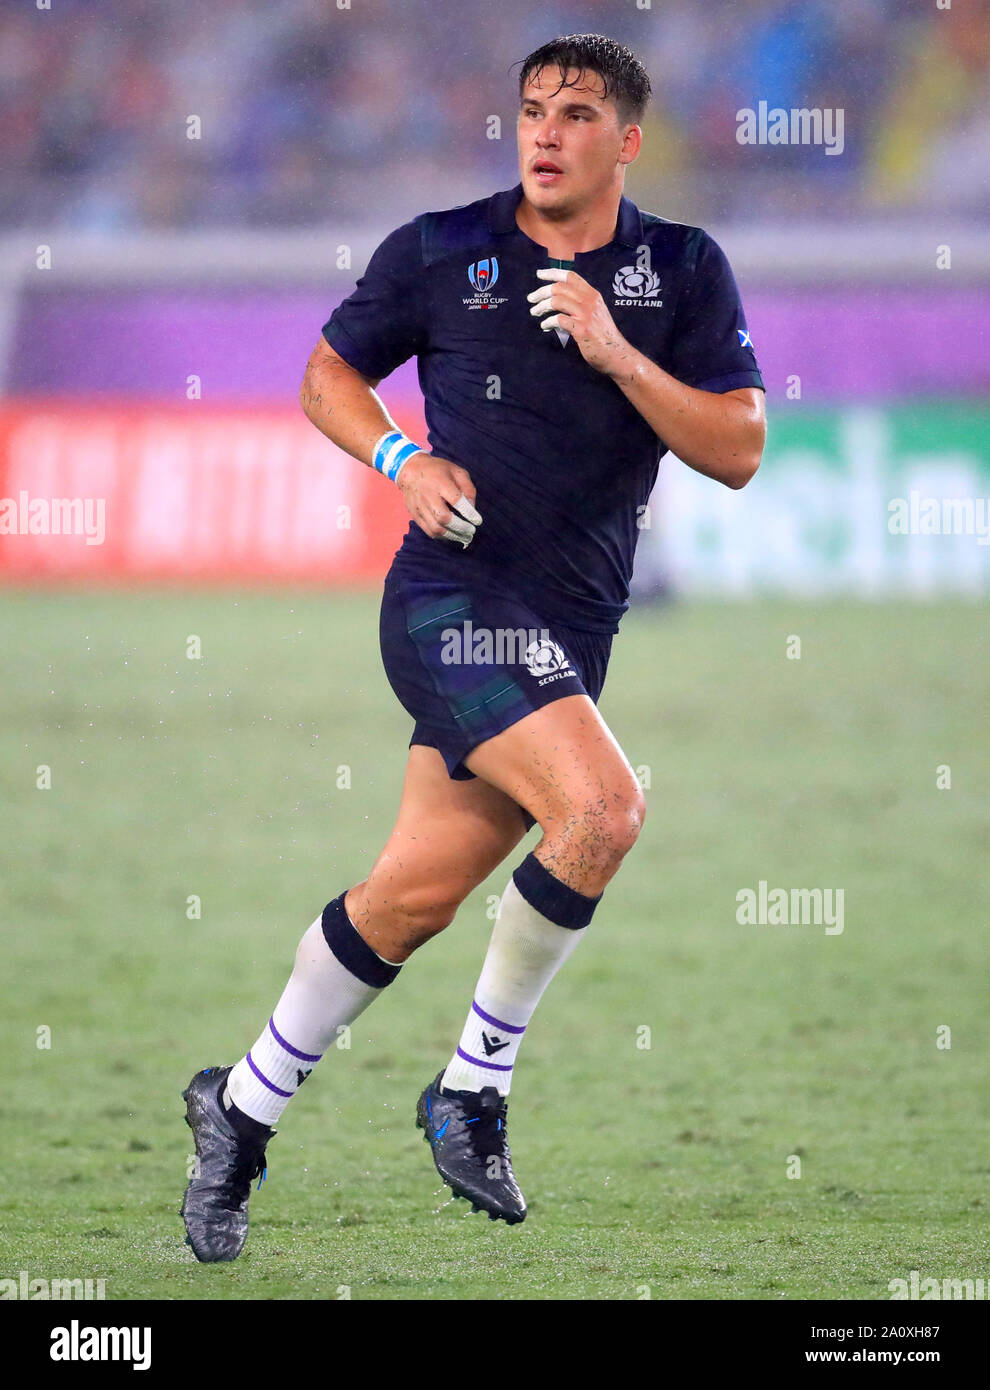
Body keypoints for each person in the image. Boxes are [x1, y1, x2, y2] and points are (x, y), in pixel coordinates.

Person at [180, 32, 765, 1262]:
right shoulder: (442, 249)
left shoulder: (682, 269)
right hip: (450, 601)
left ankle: (236, 1110)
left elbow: (736, 448)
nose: (546, 131)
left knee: (413, 897)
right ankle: (473, 1092)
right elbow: (329, 374)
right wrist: (402, 456)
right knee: (603, 812)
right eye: (532, 110)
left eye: (576, 112)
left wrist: (615, 348)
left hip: (572, 632)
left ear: (627, 140)